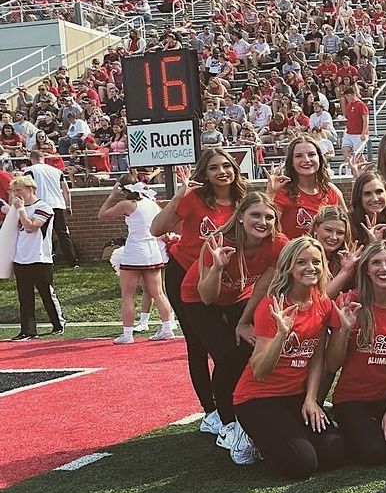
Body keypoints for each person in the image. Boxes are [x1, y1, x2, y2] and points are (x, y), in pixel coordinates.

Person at [151, 149, 247, 434]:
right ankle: (211, 411)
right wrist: (178, 197)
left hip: (224, 279)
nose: (222, 172)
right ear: (204, 173)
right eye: (214, 167)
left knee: (231, 346)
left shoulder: (243, 201)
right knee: (198, 344)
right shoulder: (194, 198)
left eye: (226, 166)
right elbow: (157, 228)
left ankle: (235, 401)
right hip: (185, 275)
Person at [181, 192, 287, 450]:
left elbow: (261, 288)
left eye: (269, 217)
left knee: (250, 347)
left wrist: (244, 322)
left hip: (240, 295)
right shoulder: (218, 242)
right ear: (240, 216)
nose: (263, 222)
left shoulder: (278, 243)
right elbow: (207, 297)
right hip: (197, 297)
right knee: (226, 355)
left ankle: (248, 408)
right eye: (255, 215)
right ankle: (225, 421)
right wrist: (218, 267)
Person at [233, 237, 346, 478]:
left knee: (335, 454)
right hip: (258, 397)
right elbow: (260, 370)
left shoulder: (322, 303)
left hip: (295, 396)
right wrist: (281, 335)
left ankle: (285, 432)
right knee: (301, 465)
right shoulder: (272, 306)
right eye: (301, 262)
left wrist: (312, 400)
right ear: (288, 267)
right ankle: (250, 436)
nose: (310, 267)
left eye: (316, 261)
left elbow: (317, 357)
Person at [327, 240, 386, 466]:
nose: (384, 268)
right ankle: (346, 424)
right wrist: (343, 329)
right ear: (366, 270)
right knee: (373, 453)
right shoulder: (349, 301)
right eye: (376, 263)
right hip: (353, 397)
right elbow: (332, 365)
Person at [96, 178, 174, 344]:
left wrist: (112, 195)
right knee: (158, 293)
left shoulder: (127, 204)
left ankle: (128, 334)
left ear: (123, 189)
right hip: (153, 251)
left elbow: (102, 215)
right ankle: (167, 328)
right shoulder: (152, 203)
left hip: (135, 251)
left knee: (127, 294)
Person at [4, 176, 64, 340]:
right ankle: (28, 330)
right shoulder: (18, 208)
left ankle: (57, 323)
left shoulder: (43, 207)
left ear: (30, 189)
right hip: (20, 257)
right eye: (13, 191)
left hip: (39, 257)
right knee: (24, 297)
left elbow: (31, 227)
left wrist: (20, 210)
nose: (16, 194)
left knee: (46, 293)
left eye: (19, 190)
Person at [268, 135, 345, 239]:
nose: (306, 160)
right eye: (299, 156)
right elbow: (269, 231)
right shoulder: (281, 191)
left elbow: (346, 228)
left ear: (320, 158)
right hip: (291, 249)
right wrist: (269, 193)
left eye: (311, 154)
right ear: (291, 162)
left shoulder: (331, 191)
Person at [24, 149, 79, 267]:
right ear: (43, 158)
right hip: (57, 204)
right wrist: (68, 205)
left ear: (31, 159)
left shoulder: (29, 170)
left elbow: (29, 188)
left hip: (41, 205)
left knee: (41, 235)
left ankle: (44, 260)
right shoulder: (57, 171)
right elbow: (66, 190)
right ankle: (73, 262)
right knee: (63, 233)